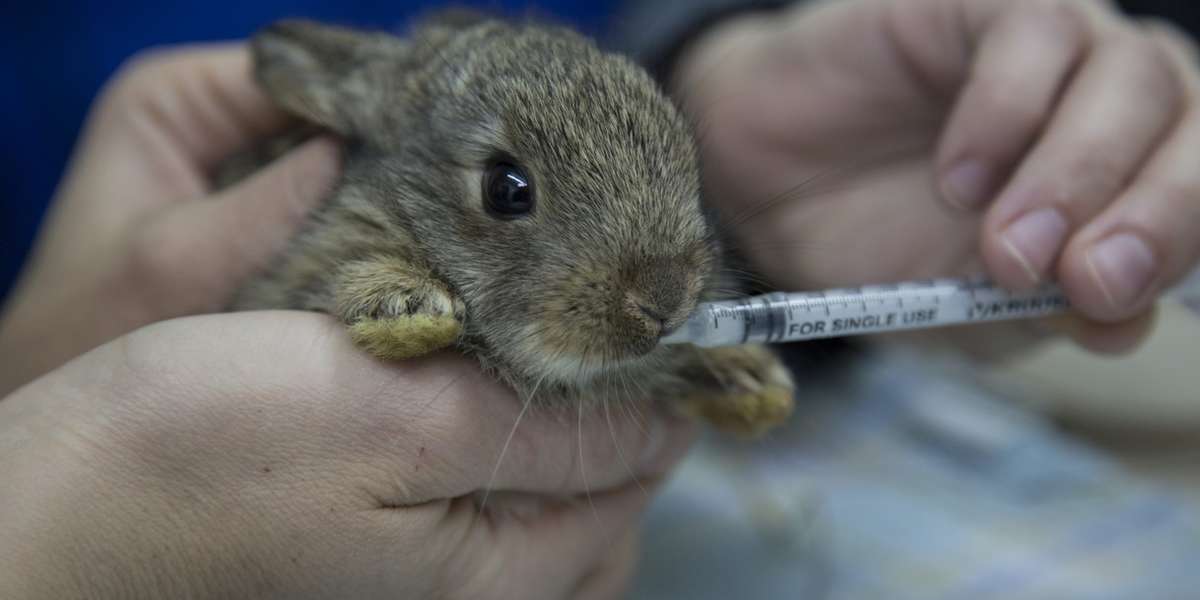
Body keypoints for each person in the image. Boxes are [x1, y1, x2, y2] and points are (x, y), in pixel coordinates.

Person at [2, 0, 1198, 596]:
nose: (665, 291)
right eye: (510, 189)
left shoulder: (642, 252)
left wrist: (716, 74)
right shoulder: (361, 193)